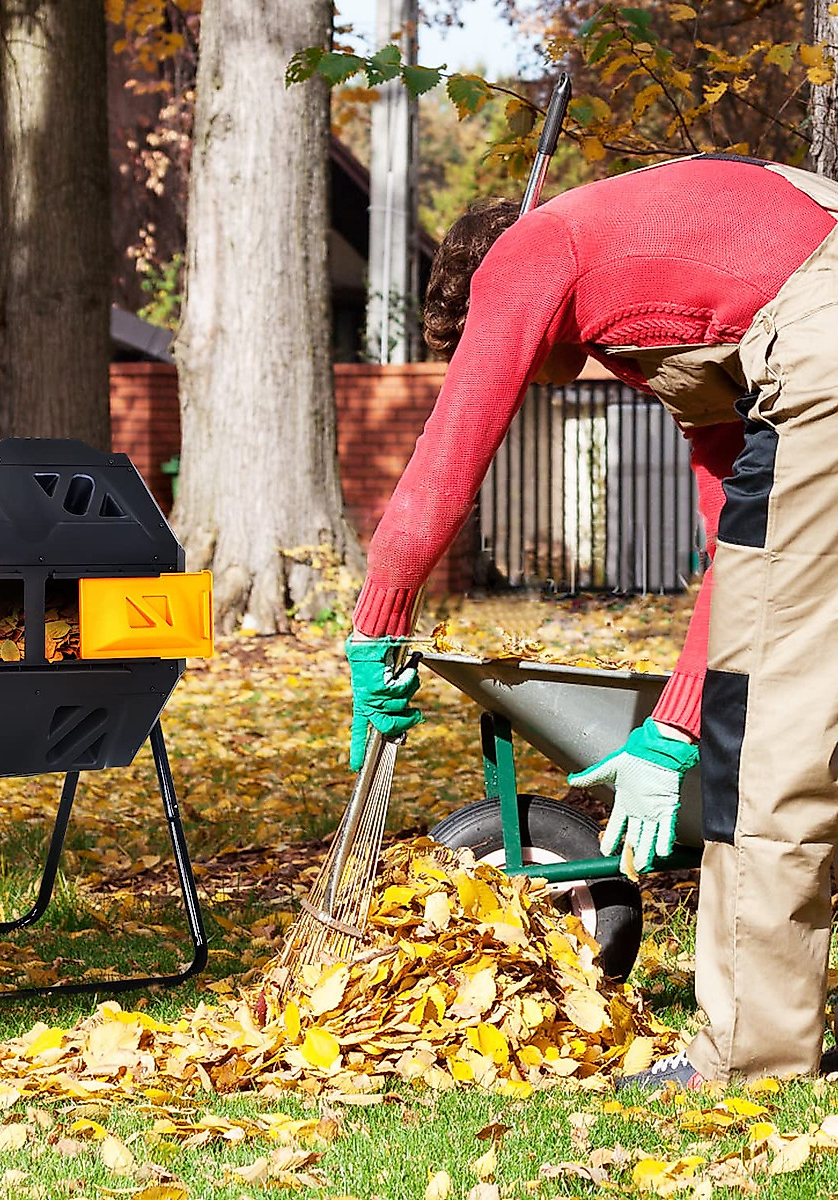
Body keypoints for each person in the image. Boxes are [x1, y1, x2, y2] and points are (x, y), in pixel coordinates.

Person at [346, 153, 838, 1088]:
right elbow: (735, 560)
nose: (531, 377)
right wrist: (677, 722)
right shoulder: (679, 305)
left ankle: (754, 1059)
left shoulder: (533, 250)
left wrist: (380, 623)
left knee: (770, 734)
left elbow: (449, 459)